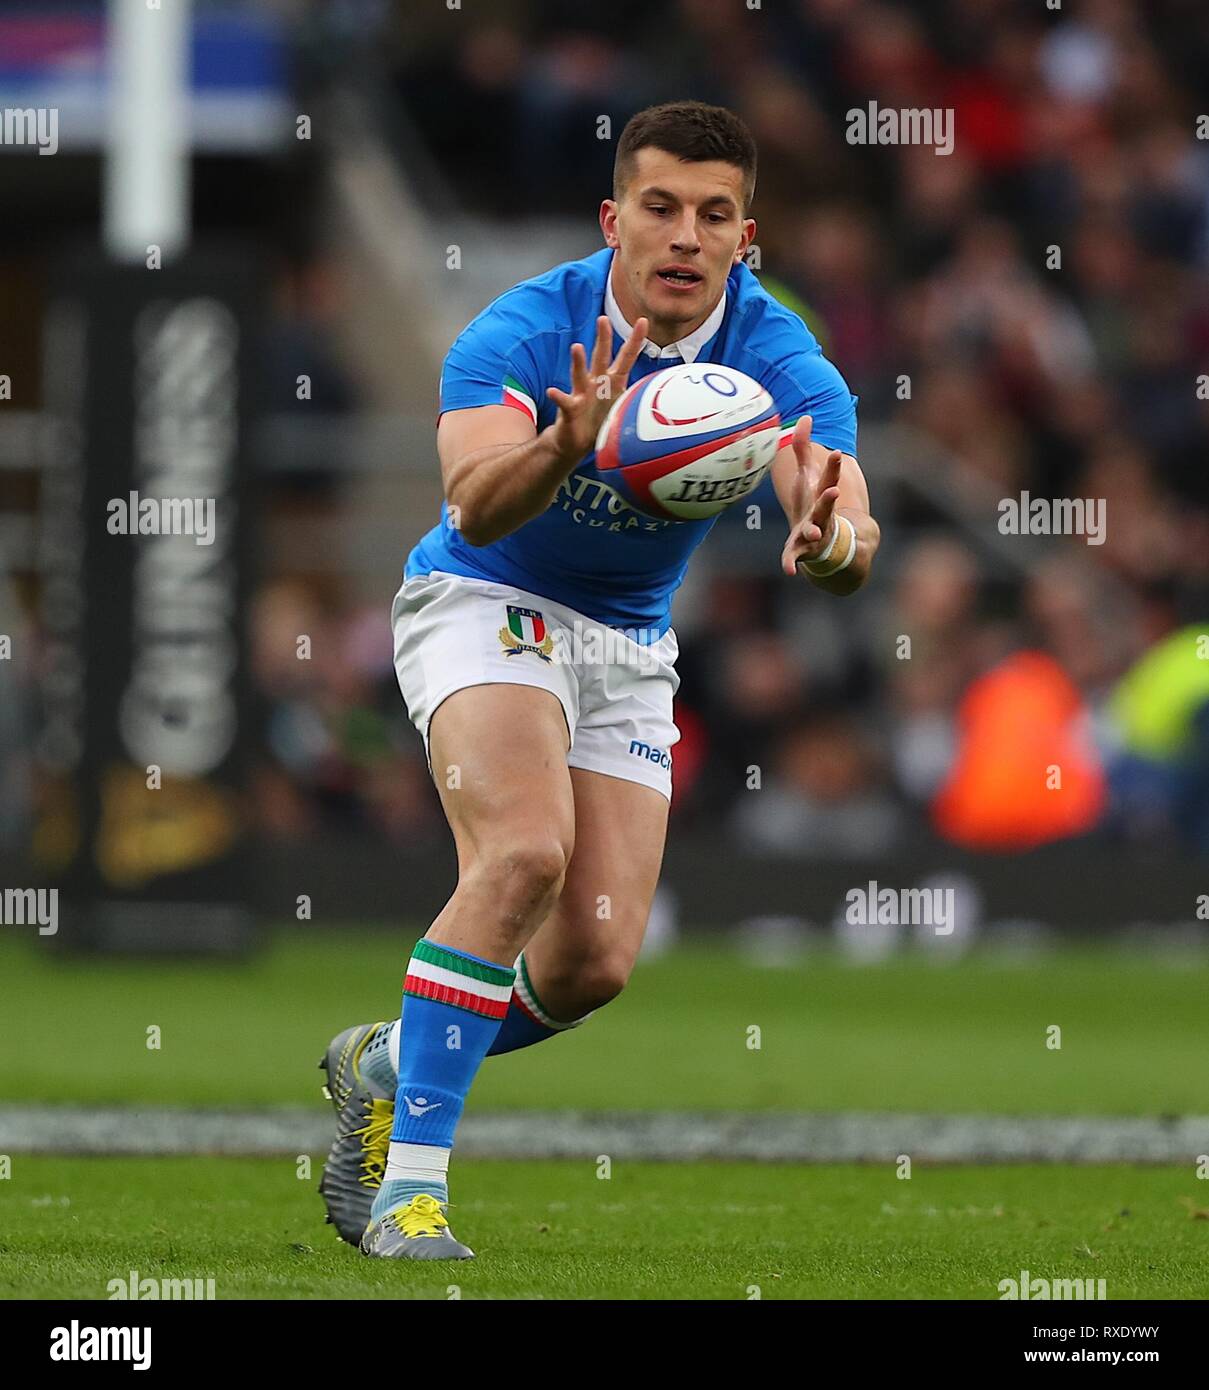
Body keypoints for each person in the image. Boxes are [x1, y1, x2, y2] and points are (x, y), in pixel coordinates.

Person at [318, 99, 880, 1259]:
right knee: (525, 850)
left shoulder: (776, 353)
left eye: (714, 215)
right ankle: (409, 1198)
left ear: (745, 236)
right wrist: (561, 446)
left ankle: (381, 1063)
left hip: (625, 639)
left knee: (594, 962)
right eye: (663, 208)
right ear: (613, 219)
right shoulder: (524, 332)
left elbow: (840, 512)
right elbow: (474, 502)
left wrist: (832, 543)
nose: (686, 236)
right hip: (483, 602)